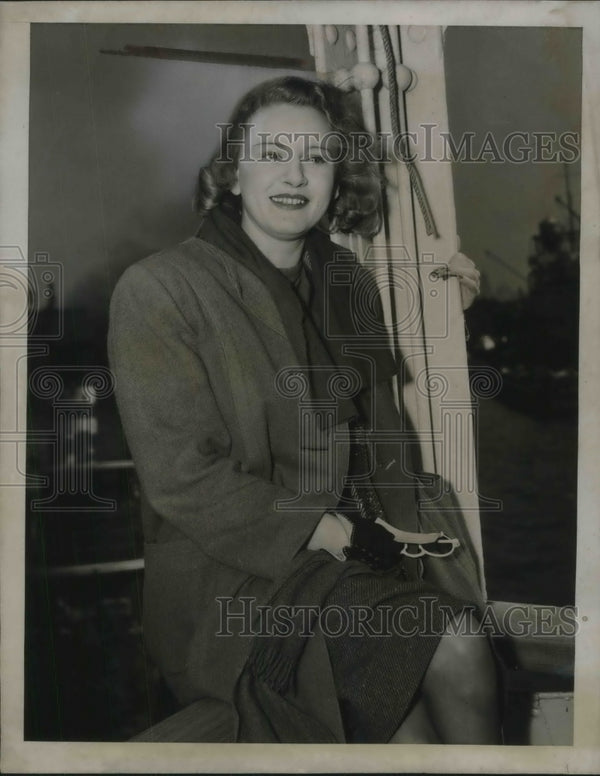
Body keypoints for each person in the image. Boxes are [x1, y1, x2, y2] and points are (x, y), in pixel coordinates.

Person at [108, 76, 499, 744]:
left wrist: (404, 545)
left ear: (334, 179)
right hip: (236, 586)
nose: (294, 175)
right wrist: (320, 529)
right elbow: (182, 477)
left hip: (354, 568)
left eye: (315, 158)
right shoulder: (159, 289)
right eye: (272, 153)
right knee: (455, 640)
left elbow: (385, 437)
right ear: (232, 171)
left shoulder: (346, 280)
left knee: (418, 727)